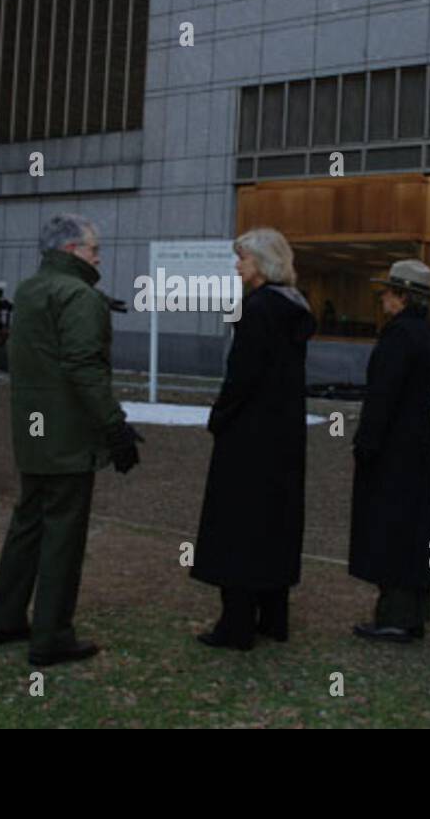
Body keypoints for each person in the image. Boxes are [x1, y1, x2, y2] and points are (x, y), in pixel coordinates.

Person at [0, 214, 142, 667]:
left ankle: (4, 617)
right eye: (94, 249)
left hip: (32, 432)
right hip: (68, 437)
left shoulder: (31, 289)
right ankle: (51, 635)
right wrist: (115, 427)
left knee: (27, 527)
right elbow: (84, 368)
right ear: (72, 250)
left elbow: (27, 358)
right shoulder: (79, 296)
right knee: (63, 537)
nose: (99, 256)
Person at [191, 228, 315, 650]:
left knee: (238, 525)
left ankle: (236, 624)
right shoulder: (294, 309)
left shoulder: (257, 310)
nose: (238, 265)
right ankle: (273, 616)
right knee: (273, 523)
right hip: (282, 436)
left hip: (248, 436)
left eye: (243, 258)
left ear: (262, 263)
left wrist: (220, 416)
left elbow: (242, 376)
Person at [349, 259, 430, 644]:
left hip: (393, 445)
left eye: (388, 292)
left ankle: (396, 616)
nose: (383, 298)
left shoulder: (399, 336)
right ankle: (411, 612)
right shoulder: (428, 334)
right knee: (414, 524)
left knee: (391, 526)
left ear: (403, 296)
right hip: (417, 441)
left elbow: (382, 397)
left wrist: (366, 443)